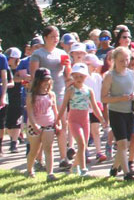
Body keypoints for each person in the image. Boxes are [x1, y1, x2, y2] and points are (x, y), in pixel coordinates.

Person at [28, 27, 70, 170]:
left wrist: (67, 66)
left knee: (62, 124)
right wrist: (35, 94)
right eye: (52, 36)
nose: (56, 39)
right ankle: (39, 159)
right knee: (44, 125)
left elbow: (68, 75)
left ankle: (64, 158)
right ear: (45, 37)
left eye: (57, 36)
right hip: (42, 94)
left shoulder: (62, 53)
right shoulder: (38, 54)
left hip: (59, 91)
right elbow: (34, 76)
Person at [100, 46, 134, 181]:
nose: (124, 63)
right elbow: (103, 98)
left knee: (126, 144)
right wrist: (120, 98)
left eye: (126, 60)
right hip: (116, 112)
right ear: (114, 61)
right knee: (122, 143)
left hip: (130, 112)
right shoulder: (109, 76)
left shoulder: (132, 74)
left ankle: (114, 167)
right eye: (121, 61)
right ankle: (126, 173)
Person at [62, 64, 102, 175]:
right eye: (76, 76)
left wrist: (102, 119)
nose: (79, 79)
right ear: (73, 76)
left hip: (85, 119)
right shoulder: (70, 90)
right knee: (81, 143)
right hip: (74, 119)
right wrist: (58, 119)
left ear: (85, 77)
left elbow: (94, 107)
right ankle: (83, 168)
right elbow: (64, 105)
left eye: (81, 76)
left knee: (84, 145)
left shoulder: (89, 90)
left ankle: (74, 166)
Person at [25, 68, 60, 180]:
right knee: (34, 150)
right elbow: (30, 112)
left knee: (48, 148)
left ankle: (50, 173)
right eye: (44, 80)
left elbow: (55, 110)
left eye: (48, 80)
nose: (46, 82)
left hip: (49, 124)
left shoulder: (51, 94)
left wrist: (58, 123)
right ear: (38, 81)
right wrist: (35, 125)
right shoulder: (31, 95)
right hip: (34, 125)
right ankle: (30, 170)